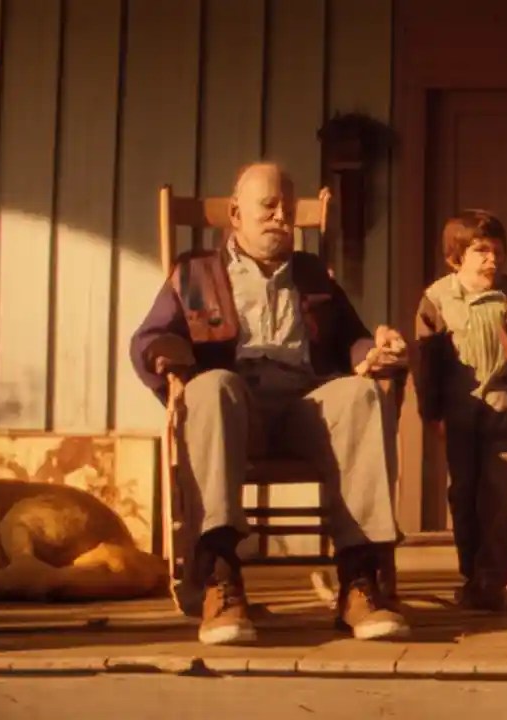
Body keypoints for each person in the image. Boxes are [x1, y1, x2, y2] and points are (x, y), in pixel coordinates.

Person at [130, 162, 410, 645]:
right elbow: (150, 338)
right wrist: (168, 358)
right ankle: (220, 579)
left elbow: (353, 338)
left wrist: (375, 351)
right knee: (211, 388)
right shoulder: (196, 273)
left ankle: (359, 581)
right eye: (269, 206)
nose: (282, 217)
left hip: (305, 405)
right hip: (238, 408)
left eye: (289, 209)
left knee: (361, 394)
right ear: (236, 215)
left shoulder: (312, 275)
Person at [413, 210, 507, 612]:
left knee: (501, 493)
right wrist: (431, 412)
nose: (492, 260)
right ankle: (471, 573)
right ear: (456, 257)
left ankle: (492, 579)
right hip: (460, 412)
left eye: (498, 251)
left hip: (502, 409)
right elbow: (427, 363)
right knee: (464, 492)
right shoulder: (437, 300)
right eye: (481, 251)